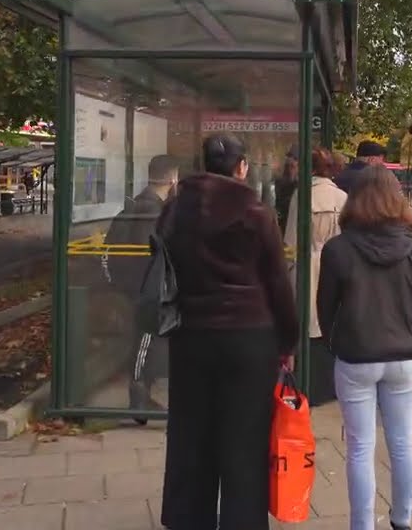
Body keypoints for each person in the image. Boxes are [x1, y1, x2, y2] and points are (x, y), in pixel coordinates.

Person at [159, 134, 299, 530]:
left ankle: (190, 519)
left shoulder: (175, 210)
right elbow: (277, 282)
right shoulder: (255, 212)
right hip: (249, 338)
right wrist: (287, 341)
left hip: (191, 336)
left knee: (191, 434)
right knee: (245, 440)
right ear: (241, 167)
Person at [317, 164, 412, 530]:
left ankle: (362, 525)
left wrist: (335, 342)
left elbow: (325, 307)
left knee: (360, 447)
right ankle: (402, 519)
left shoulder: (337, 249)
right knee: (402, 441)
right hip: (402, 356)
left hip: (356, 357)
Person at [103, 154, 179, 413]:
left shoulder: (140, 204)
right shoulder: (152, 210)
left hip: (137, 286)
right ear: (172, 178)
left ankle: (142, 394)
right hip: (146, 288)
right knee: (145, 340)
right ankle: (138, 397)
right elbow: (148, 253)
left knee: (147, 339)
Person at [283, 145, 347, 407]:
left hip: (306, 264)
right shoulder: (342, 197)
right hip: (334, 264)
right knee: (327, 323)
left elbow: (291, 241)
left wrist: (287, 267)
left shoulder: (301, 195)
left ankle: (308, 386)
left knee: (307, 325)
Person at [335, 140, 401, 195]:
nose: (382, 164)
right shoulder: (374, 180)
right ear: (372, 159)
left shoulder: (340, 175)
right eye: (381, 161)